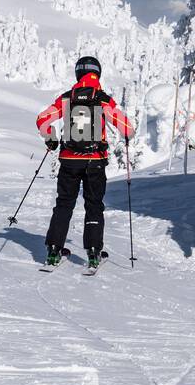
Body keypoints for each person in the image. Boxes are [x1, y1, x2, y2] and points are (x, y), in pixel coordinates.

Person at [35, 55, 133, 268]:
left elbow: (42, 119)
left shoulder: (66, 98)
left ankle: (53, 250)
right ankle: (93, 252)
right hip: (95, 162)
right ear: (97, 73)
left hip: (69, 161)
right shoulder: (103, 99)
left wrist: (51, 138)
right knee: (94, 206)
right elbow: (127, 128)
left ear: (78, 73)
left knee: (64, 204)